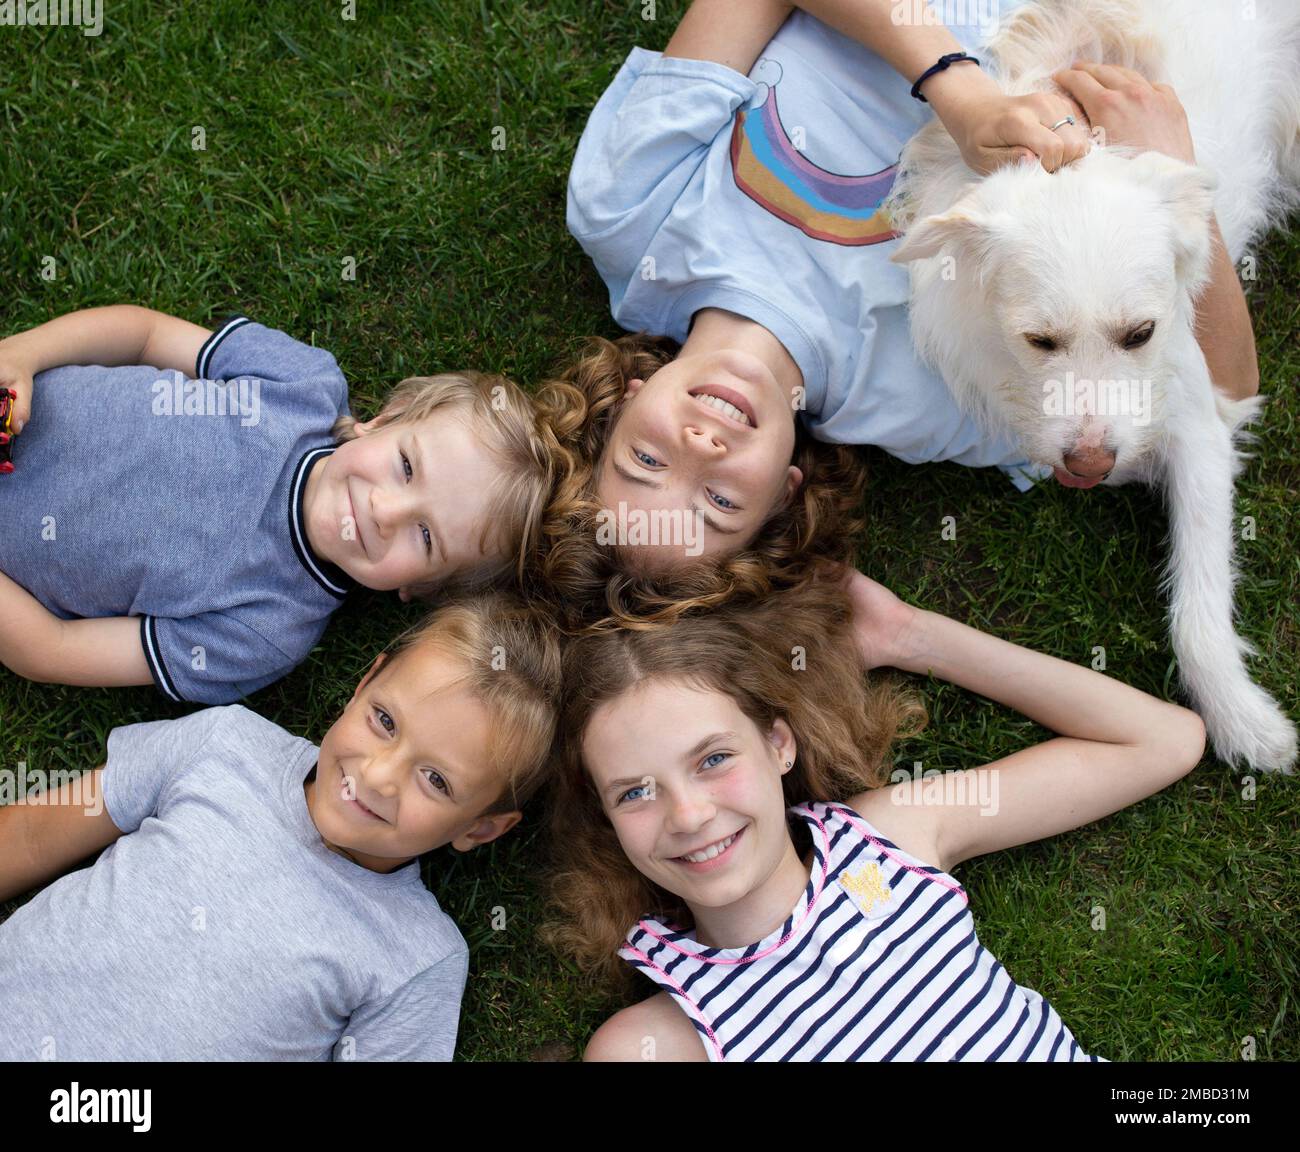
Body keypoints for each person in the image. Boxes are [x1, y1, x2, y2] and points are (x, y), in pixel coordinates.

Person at [536, 0, 1258, 606]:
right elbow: (1221, 390)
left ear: (621, 404)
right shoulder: (911, 407)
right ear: (783, 496)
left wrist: (960, 92)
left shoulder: (629, 217)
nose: (700, 450)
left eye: (646, 460)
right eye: (720, 503)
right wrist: (1181, 177)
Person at [543, 570, 1205, 1061]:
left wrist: (911, 636)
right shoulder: (653, 1045)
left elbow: (1161, 741)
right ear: (606, 818)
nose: (687, 813)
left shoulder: (885, 841)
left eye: (714, 759)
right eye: (634, 793)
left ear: (779, 744)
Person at [0, 593, 562, 1060]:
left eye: (436, 780)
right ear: (366, 682)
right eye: (385, 721)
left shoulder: (416, 958)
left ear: (481, 829)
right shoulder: (225, 744)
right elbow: (30, 835)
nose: (378, 775)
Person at [0, 305, 558, 702]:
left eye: (427, 537)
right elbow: (144, 335)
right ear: (385, 420)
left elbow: (54, 648)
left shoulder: (268, 631)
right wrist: (24, 352)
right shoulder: (300, 385)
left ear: (421, 590)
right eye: (406, 467)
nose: (385, 511)